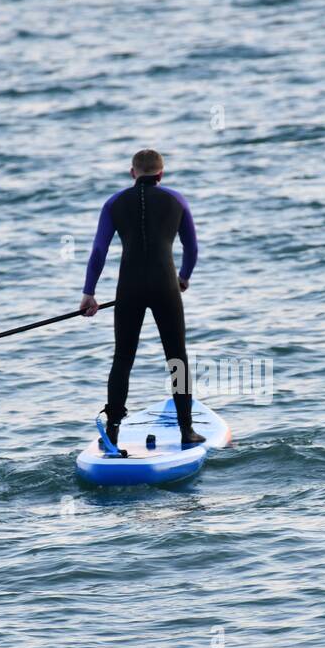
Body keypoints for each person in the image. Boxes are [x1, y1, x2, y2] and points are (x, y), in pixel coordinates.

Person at [80, 149, 204, 448]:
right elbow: (192, 247)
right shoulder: (177, 200)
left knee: (123, 358)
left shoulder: (114, 203)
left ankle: (112, 431)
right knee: (177, 357)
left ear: (132, 173)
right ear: (161, 174)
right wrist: (183, 277)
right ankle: (186, 430)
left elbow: (99, 251)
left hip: (129, 289)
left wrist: (89, 293)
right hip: (165, 287)